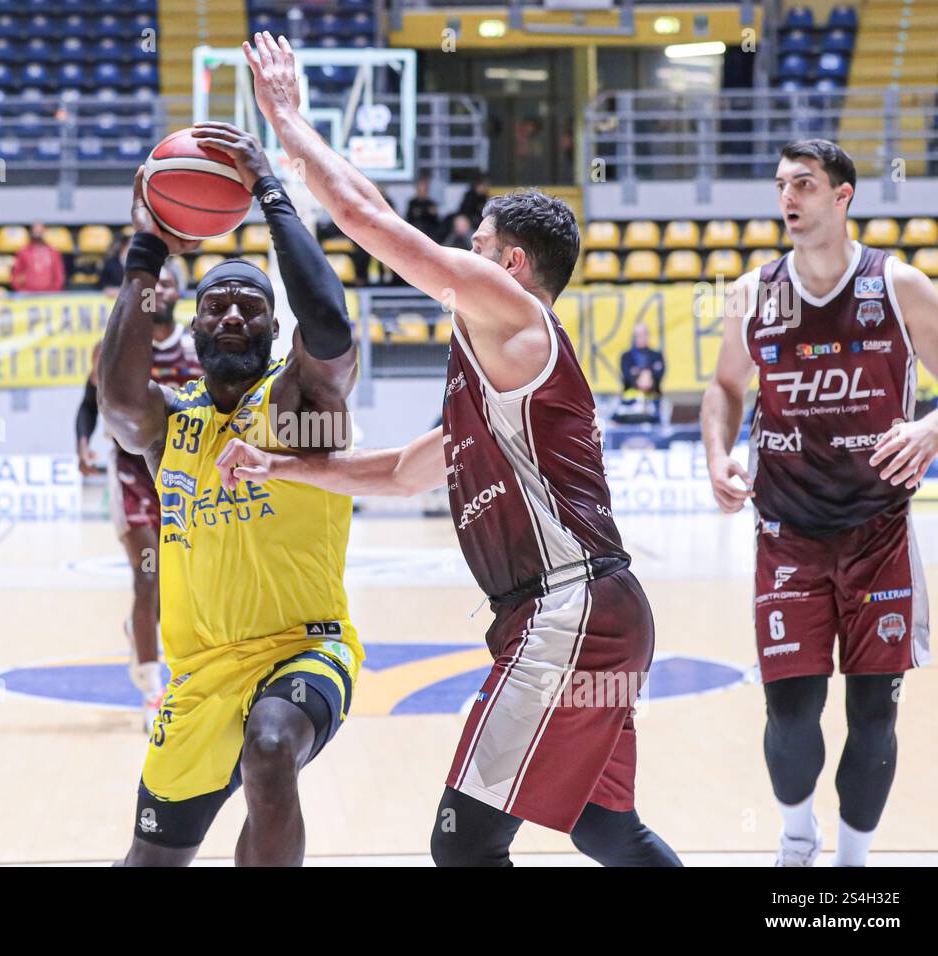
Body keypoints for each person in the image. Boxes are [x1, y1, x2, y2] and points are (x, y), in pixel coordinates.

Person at [229, 32, 681, 867]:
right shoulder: (496, 385)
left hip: (568, 608)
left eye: (471, 243)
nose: (458, 253)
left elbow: (369, 221)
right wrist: (280, 465)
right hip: (585, 613)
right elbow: (403, 474)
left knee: (463, 844)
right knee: (603, 826)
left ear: (510, 265)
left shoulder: (514, 313)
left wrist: (289, 128)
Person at [100, 121, 359, 866]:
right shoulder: (171, 422)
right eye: (218, 306)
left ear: (277, 327)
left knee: (272, 749)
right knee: (150, 861)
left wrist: (272, 191)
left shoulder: (299, 405)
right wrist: (147, 249)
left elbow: (332, 327)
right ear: (196, 324)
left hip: (305, 648)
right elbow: (118, 403)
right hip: (202, 672)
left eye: (251, 305)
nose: (235, 314)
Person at [701, 139, 938, 867]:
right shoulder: (751, 293)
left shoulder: (900, 286)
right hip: (786, 531)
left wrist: (936, 422)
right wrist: (717, 455)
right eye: (781, 185)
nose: (788, 199)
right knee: (791, 708)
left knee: (873, 712)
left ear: (843, 196)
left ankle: (852, 863)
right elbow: (723, 387)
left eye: (804, 185)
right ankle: (795, 839)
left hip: (880, 530)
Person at [76, 261, 201, 732]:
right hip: (131, 474)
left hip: (183, 477)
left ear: (178, 294)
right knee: (147, 574)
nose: (162, 289)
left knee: (177, 584)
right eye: (156, 282)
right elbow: (90, 403)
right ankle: (153, 689)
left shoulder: (197, 349)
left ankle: (141, 632)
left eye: (170, 283)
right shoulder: (119, 351)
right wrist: (81, 443)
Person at [613, 322, 666, 425]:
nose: (640, 338)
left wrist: (646, 377)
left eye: (643, 334)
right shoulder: (626, 356)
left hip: (653, 402)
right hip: (630, 404)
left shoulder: (657, 355)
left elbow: (659, 375)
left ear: (648, 335)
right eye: (637, 335)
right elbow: (627, 376)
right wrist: (642, 378)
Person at [11, 222, 65, 292]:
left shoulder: (54, 253)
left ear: (44, 232)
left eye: (40, 231)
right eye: (35, 231)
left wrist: (54, 292)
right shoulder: (23, 252)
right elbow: (16, 275)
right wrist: (22, 291)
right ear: (31, 232)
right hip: (28, 296)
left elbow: (59, 276)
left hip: (50, 296)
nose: (38, 234)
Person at [404, 175, 441, 240]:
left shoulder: (431, 203)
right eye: (420, 190)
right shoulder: (412, 202)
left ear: (427, 191)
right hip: (415, 229)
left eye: (423, 190)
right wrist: (427, 212)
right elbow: (409, 217)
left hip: (429, 231)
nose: (421, 192)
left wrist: (422, 212)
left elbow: (435, 219)